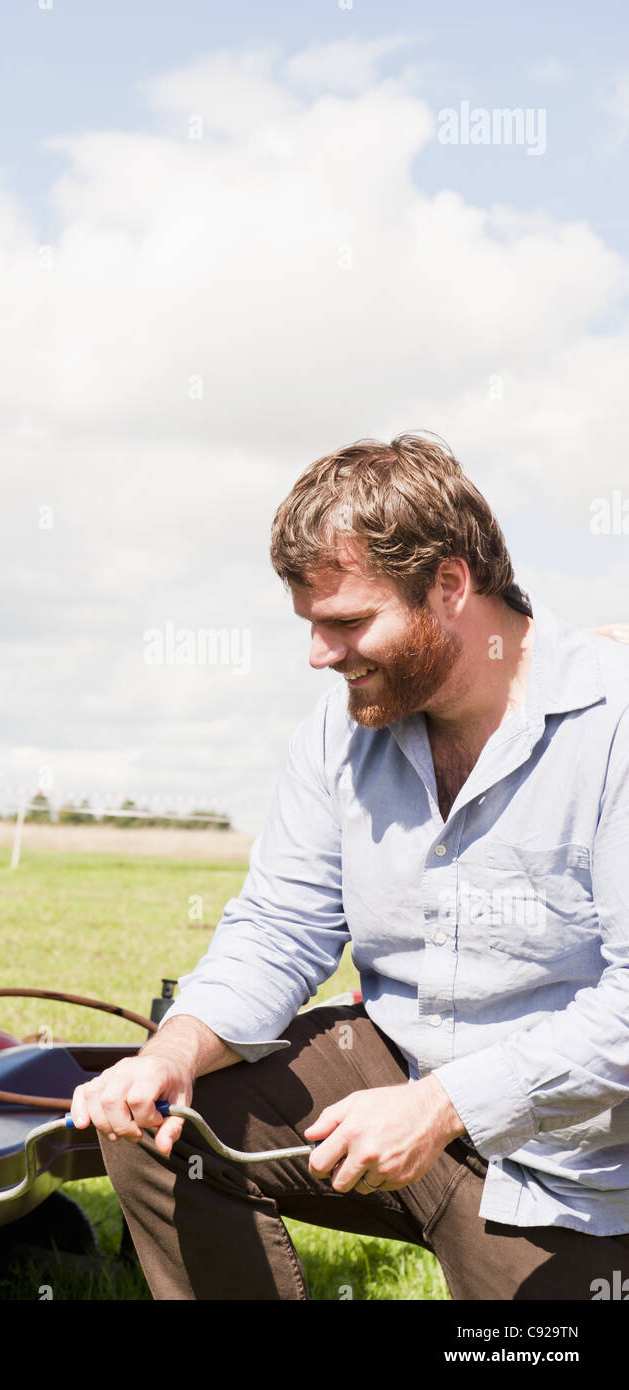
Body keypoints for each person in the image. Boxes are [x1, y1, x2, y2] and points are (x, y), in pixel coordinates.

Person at [70, 432, 629, 1299]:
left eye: (348, 622)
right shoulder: (341, 732)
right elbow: (281, 928)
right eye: (312, 624)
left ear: (450, 585)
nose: (320, 654)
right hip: (395, 1079)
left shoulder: (614, 723)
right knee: (157, 1122)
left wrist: (442, 1109)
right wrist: (173, 1052)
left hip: (573, 1167)